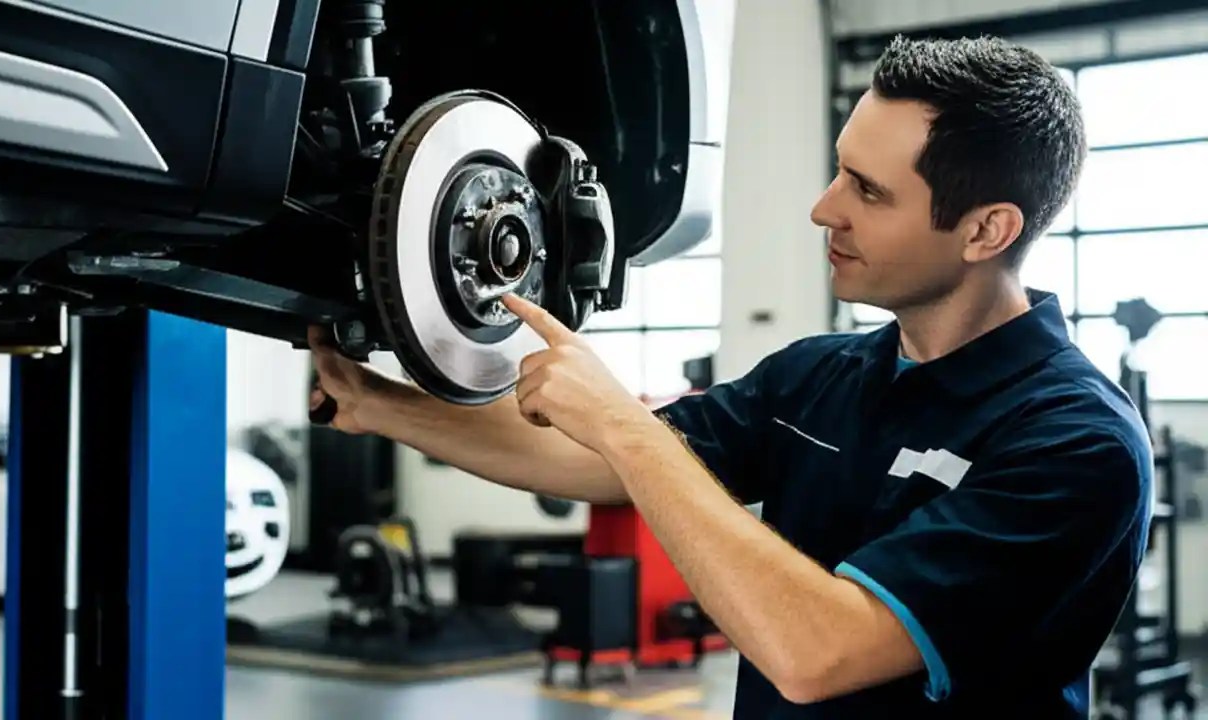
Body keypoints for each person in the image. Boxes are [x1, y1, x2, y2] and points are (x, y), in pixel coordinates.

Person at [308, 35, 1153, 718]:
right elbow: (603, 469)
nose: (825, 208)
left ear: (985, 231)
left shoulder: (1076, 444)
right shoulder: (821, 376)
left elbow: (817, 653)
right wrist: (377, 403)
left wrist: (623, 423)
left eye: (868, 190)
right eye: (838, 169)